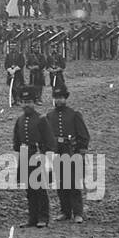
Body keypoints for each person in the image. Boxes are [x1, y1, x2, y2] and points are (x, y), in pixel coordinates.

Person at [42, 86, 91, 223]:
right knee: (60, 183)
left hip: (71, 151)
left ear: (66, 98)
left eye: (62, 98)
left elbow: (84, 135)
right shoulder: (49, 116)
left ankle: (78, 213)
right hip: (56, 152)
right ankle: (65, 211)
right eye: (57, 98)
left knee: (73, 183)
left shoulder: (74, 114)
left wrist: (80, 151)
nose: (59, 100)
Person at [12, 97, 54, 229]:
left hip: (38, 156)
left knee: (40, 188)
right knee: (29, 189)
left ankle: (43, 218)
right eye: (24, 102)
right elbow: (16, 140)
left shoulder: (41, 119)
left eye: (28, 102)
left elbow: (49, 141)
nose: (26, 105)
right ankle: (32, 218)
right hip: (25, 155)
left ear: (33, 103)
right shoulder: (20, 120)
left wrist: (44, 155)